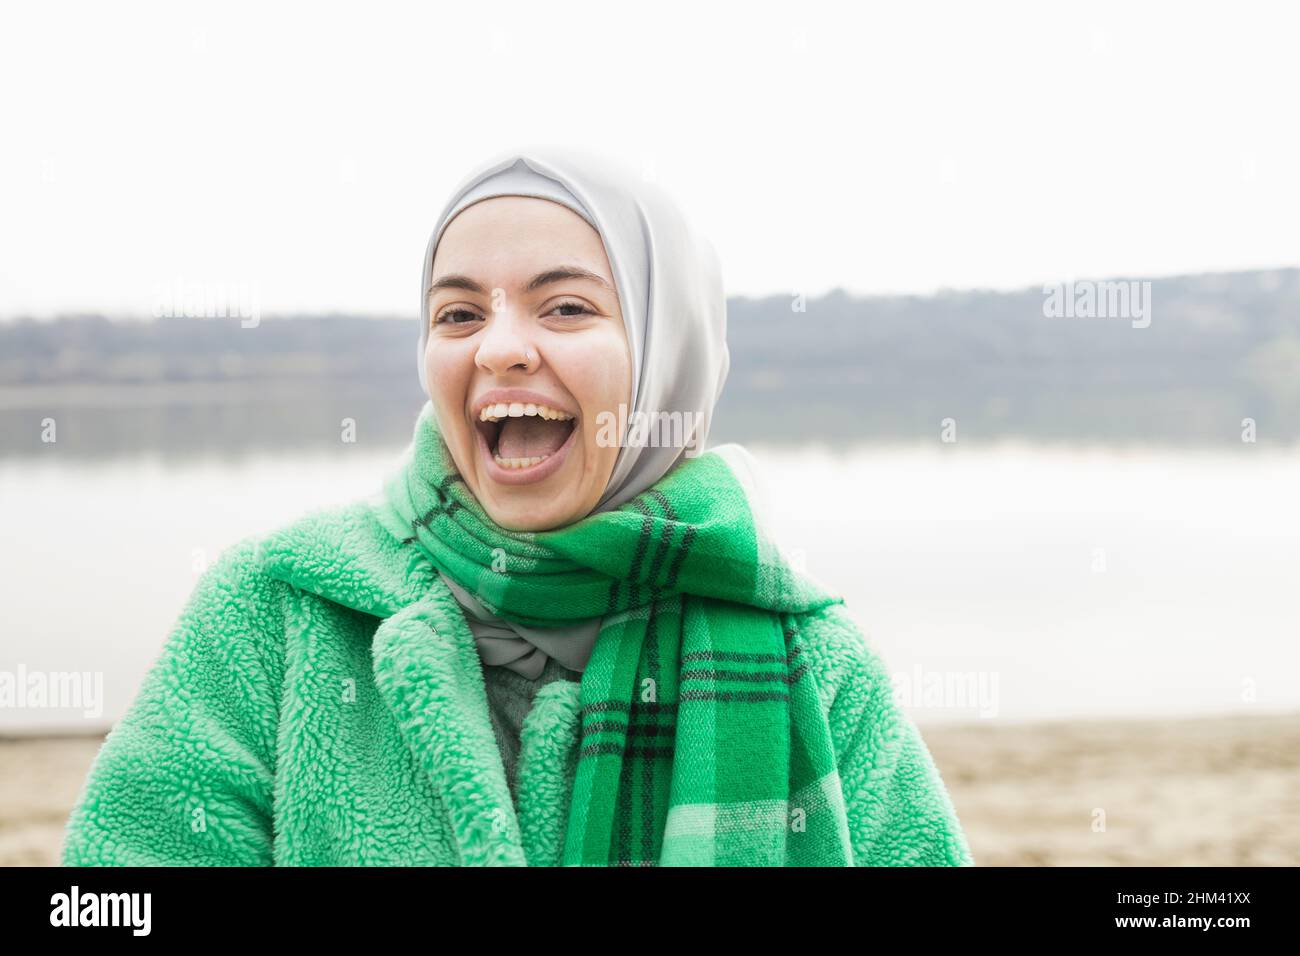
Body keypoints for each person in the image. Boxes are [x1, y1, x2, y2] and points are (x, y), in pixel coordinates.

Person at [61, 148, 975, 866]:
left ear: (669, 357)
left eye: (567, 307)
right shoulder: (278, 611)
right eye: (458, 315)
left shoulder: (809, 656)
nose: (498, 347)